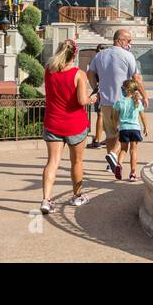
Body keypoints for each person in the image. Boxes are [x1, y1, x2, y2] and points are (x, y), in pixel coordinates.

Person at [40, 39, 94, 213]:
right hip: (74, 124)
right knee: (76, 161)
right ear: (75, 55)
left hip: (53, 121)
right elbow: (81, 101)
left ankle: (46, 200)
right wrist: (94, 98)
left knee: (52, 162)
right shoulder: (79, 74)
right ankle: (77, 196)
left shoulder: (48, 71)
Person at [89, 28, 146, 176]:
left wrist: (96, 88)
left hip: (106, 102)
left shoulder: (100, 55)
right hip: (123, 101)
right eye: (128, 41)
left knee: (110, 134)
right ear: (120, 40)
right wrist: (144, 96)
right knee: (124, 132)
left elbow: (90, 73)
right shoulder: (128, 56)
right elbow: (137, 78)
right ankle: (114, 155)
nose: (130, 43)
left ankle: (111, 164)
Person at [112, 78, 149, 181]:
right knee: (133, 151)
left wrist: (116, 126)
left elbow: (114, 116)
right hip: (135, 129)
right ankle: (132, 173)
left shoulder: (119, 102)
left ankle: (119, 165)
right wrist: (145, 127)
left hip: (123, 129)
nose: (121, 90)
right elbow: (142, 116)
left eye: (122, 88)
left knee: (123, 149)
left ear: (126, 90)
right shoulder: (137, 102)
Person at [86, 44, 106, 149]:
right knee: (109, 115)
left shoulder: (96, 60)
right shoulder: (110, 60)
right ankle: (109, 138)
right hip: (112, 90)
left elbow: (89, 73)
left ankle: (97, 140)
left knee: (101, 115)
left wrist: (95, 87)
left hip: (100, 89)